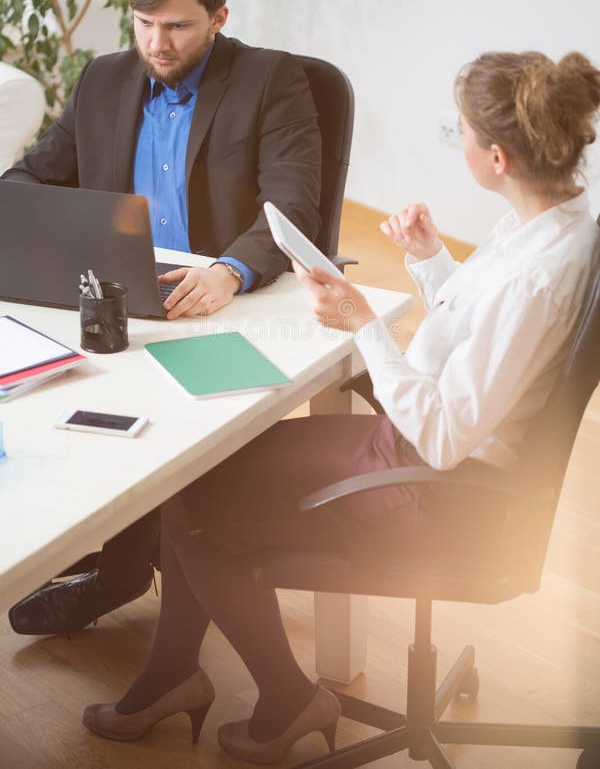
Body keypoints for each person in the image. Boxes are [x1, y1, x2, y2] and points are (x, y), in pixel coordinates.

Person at [81, 50, 600, 762]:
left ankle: (284, 698)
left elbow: (445, 435)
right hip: (433, 450)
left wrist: (362, 322)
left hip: (435, 484)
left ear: (499, 156)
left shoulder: (535, 278)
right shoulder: (558, 227)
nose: (461, 144)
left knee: (193, 504)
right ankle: (173, 676)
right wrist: (427, 260)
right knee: (205, 475)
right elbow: (486, 332)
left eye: (462, 133)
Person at [6, 0, 321, 636]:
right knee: (52, 399)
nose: (158, 43)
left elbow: (295, 206)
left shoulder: (272, 80)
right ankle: (100, 551)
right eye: (144, 24)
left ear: (219, 17)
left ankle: (118, 572)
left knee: (175, 433)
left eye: (178, 25)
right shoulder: (103, 79)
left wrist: (229, 268)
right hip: (123, 295)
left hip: (225, 302)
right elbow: (30, 177)